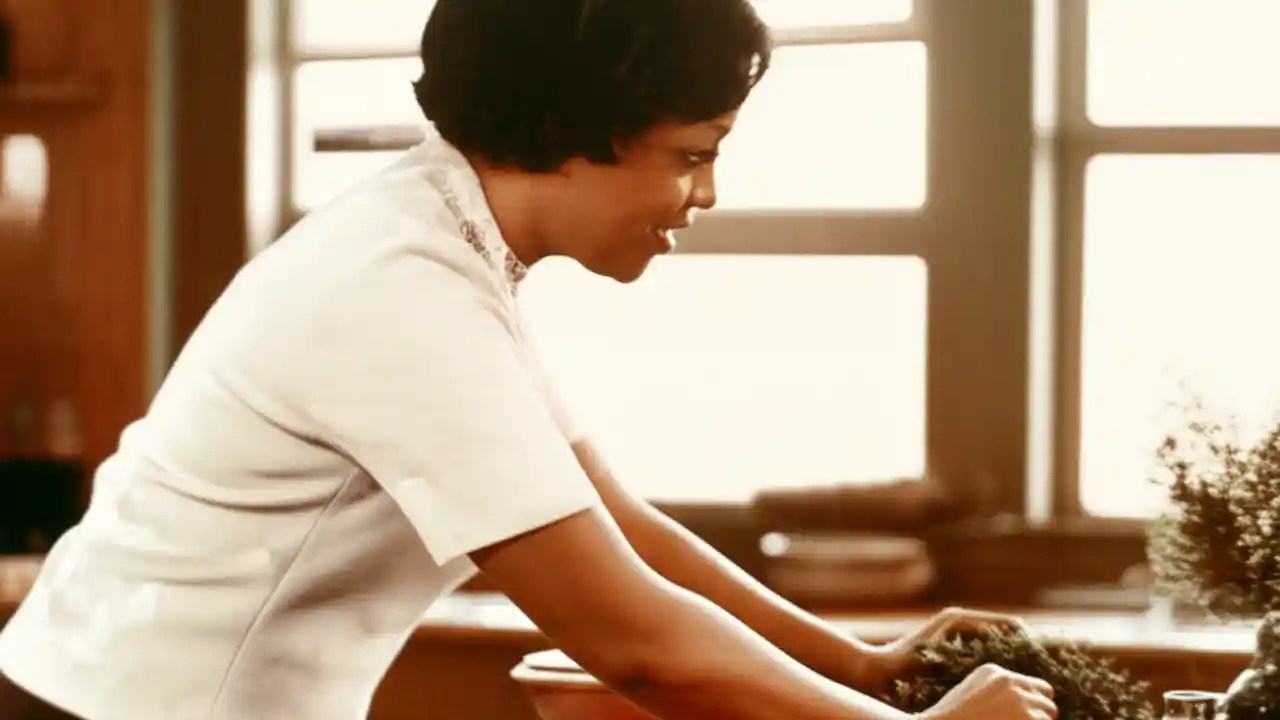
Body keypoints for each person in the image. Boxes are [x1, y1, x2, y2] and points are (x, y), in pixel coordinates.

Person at [0, 1, 1060, 718]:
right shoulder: (396, 289)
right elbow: (628, 635)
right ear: (574, 130)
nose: (705, 197)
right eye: (692, 155)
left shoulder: (446, 246)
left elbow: (617, 526)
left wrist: (859, 663)